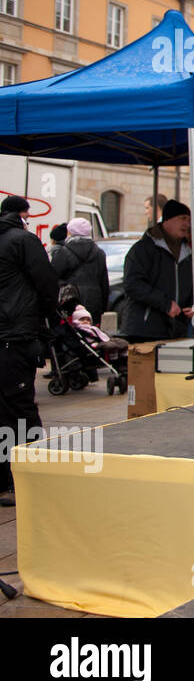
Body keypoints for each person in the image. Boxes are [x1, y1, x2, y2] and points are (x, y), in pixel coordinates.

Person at [0, 195, 58, 507]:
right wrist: (49, 319)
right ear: (23, 215)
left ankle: (6, 480)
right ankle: (30, 476)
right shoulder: (23, 240)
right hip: (15, 337)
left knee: (5, 409)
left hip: (7, 336)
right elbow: (47, 284)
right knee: (20, 409)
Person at [120, 200, 194, 344]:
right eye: (182, 219)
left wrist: (192, 305)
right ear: (168, 220)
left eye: (189, 220)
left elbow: (192, 285)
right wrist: (166, 304)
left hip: (176, 330)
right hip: (145, 330)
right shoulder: (143, 249)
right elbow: (132, 285)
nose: (187, 224)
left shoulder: (189, 252)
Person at [50, 217, 109, 324]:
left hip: (70, 302)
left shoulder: (63, 252)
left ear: (70, 232)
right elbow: (104, 282)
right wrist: (103, 307)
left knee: (71, 335)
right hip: (94, 301)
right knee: (91, 334)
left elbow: (53, 278)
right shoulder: (99, 253)